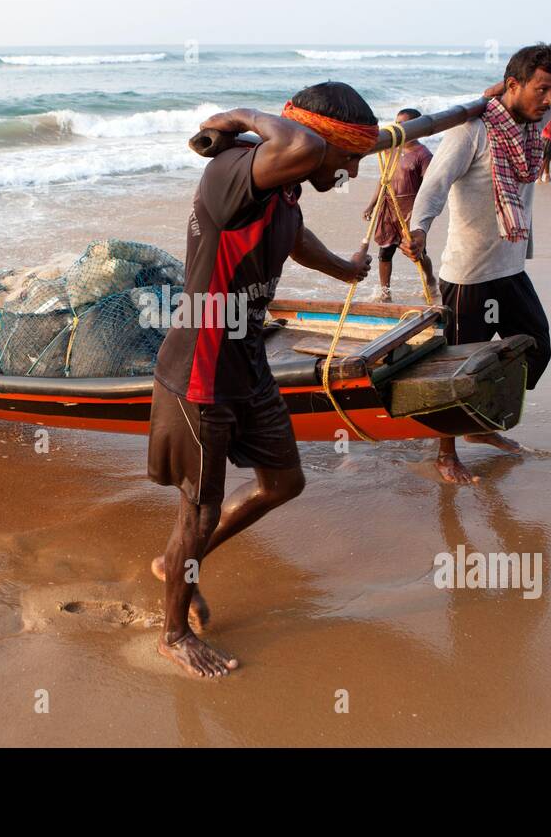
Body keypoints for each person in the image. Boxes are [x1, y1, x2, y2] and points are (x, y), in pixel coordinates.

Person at [146, 83, 374, 678]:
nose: (350, 171)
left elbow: (293, 238)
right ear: (315, 141)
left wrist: (345, 269)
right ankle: (172, 633)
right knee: (196, 513)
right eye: (348, 157)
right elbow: (298, 139)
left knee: (284, 482)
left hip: (246, 360)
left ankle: (180, 567)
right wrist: (235, 114)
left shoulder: (281, 188)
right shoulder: (230, 172)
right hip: (199, 366)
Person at [407, 43, 551, 484]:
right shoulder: (472, 130)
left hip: (510, 267)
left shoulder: (533, 118)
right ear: (514, 85)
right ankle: (446, 452)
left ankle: (480, 427)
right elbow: (435, 183)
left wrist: (495, 90)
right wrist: (418, 229)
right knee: (457, 367)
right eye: (541, 89)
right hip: (469, 274)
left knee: (535, 348)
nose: (549, 99)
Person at [362, 107, 434, 302]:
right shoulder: (390, 149)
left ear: (415, 128)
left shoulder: (423, 155)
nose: (397, 128)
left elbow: (428, 188)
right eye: (396, 123)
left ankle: (430, 280)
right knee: (385, 251)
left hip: (410, 209)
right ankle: (385, 292)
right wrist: (372, 204)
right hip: (388, 207)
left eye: (402, 124)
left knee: (417, 252)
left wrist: (417, 214)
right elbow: (383, 178)